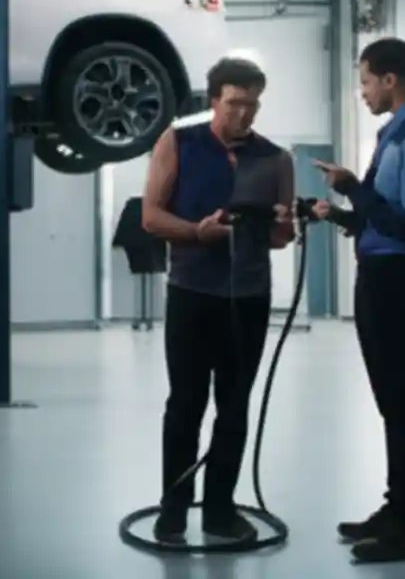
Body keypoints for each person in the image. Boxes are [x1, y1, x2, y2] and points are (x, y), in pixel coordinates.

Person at [141, 56, 296, 542]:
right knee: (185, 404)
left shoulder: (276, 159)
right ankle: (173, 509)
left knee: (234, 406)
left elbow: (279, 237)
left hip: (248, 298)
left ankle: (220, 510)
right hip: (191, 294)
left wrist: (284, 223)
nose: (243, 115)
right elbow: (150, 217)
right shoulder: (178, 142)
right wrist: (196, 233)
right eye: (234, 104)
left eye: (252, 105)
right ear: (213, 101)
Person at [312, 37, 405, 564]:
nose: (363, 91)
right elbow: (382, 222)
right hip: (382, 273)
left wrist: (353, 188)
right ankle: (396, 510)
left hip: (402, 280)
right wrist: (339, 214)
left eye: (367, 81)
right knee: (393, 403)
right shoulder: (393, 136)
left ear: (390, 80)